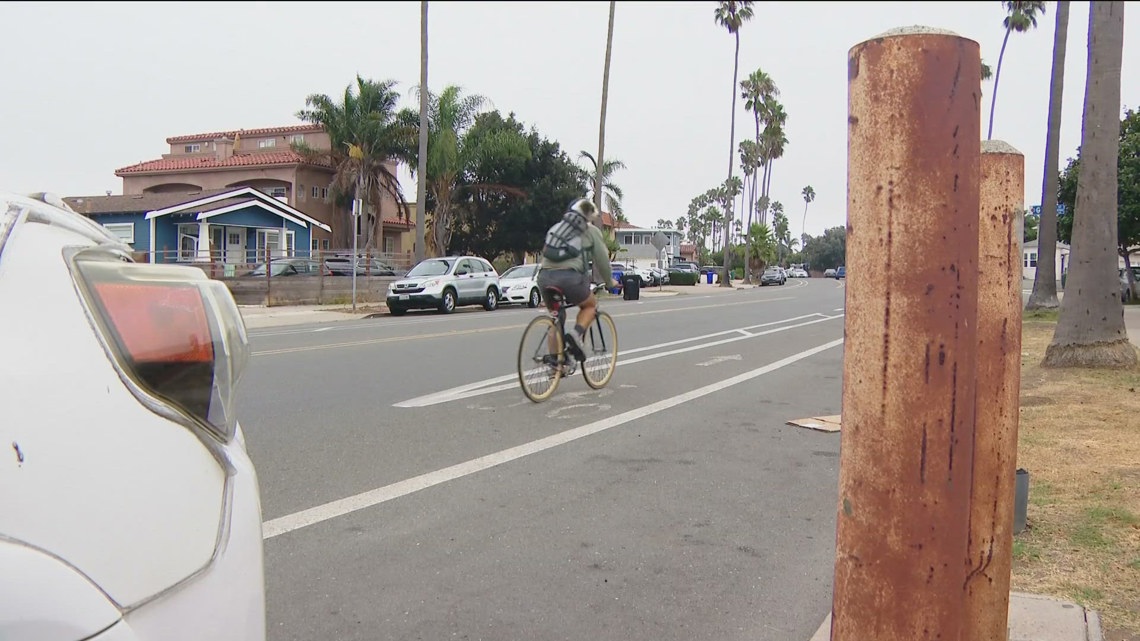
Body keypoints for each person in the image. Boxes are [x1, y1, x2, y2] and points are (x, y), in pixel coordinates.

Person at [538, 198, 616, 361]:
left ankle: (555, 363)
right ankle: (575, 335)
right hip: (570, 278)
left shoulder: (556, 228)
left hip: (544, 277)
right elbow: (602, 260)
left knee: (556, 317)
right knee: (590, 305)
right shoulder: (591, 231)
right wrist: (609, 282)